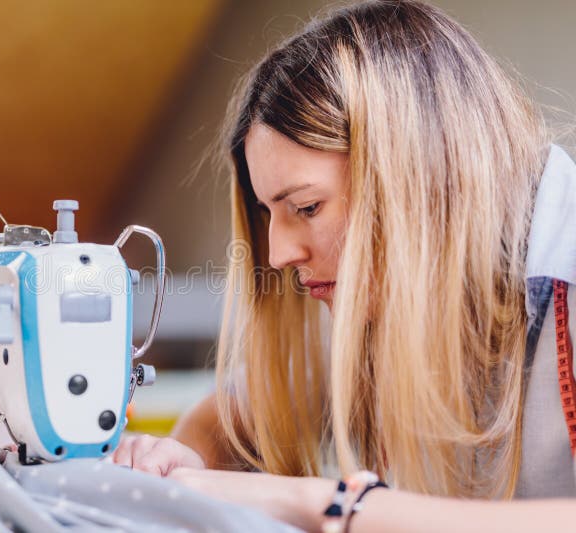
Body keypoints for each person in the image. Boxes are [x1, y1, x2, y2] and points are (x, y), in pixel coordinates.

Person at [112, 1, 576, 531]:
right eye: (271, 215)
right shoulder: (393, 301)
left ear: (420, 171)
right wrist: (182, 463)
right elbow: (226, 418)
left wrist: (326, 503)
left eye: (307, 208)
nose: (278, 255)